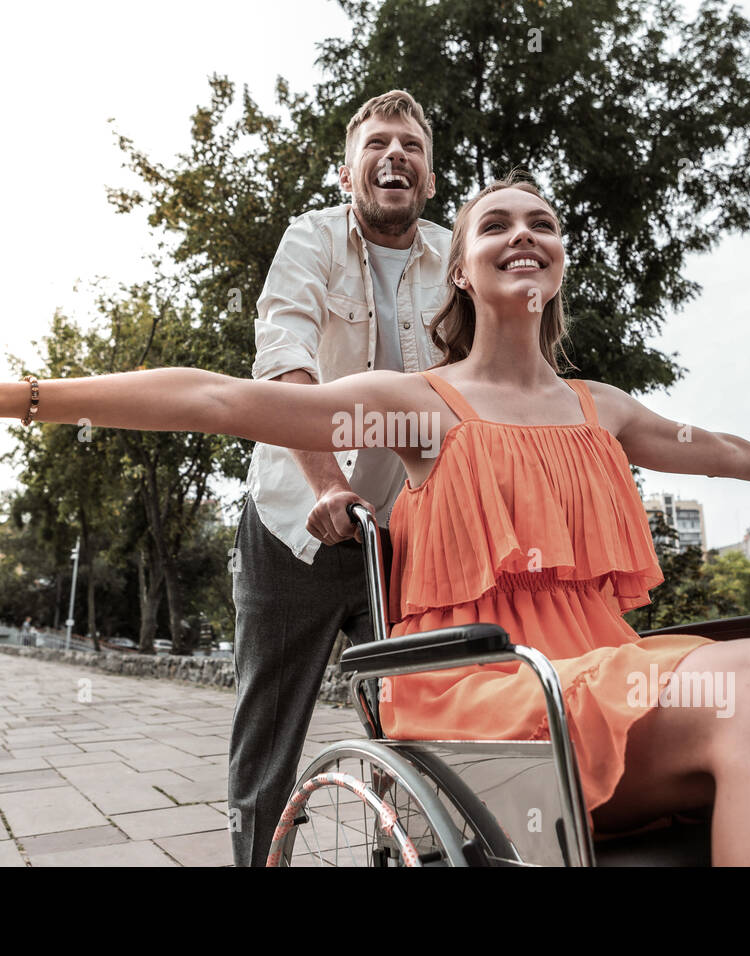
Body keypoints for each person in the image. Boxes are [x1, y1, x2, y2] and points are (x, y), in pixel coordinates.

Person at [0, 173, 750, 866]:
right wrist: (16, 395)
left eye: (541, 220)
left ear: (559, 262)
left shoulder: (600, 406)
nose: (522, 232)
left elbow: (715, 447)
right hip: (491, 682)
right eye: (495, 221)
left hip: (613, 665)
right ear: (461, 269)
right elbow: (225, 400)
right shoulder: (415, 410)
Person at [228, 90, 449, 866]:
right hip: (298, 523)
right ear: (350, 166)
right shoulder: (312, 238)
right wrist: (326, 482)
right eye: (379, 142)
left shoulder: (455, 257)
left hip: (407, 532)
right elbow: (284, 358)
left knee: (418, 721)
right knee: (270, 732)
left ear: (427, 174)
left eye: (412, 145)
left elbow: (482, 388)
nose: (396, 155)